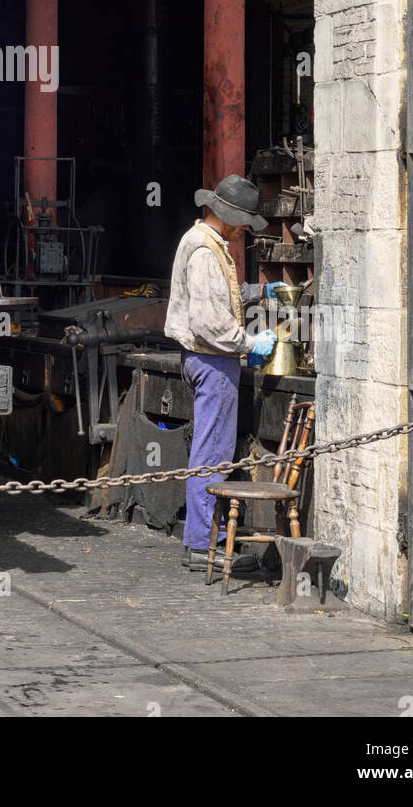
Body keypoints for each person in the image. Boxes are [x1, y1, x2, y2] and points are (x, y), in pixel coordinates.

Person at [164, 173, 281, 573]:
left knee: (212, 451)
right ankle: (202, 545)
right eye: (244, 223)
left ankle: (205, 539)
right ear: (229, 216)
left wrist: (258, 292)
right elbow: (210, 322)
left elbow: (219, 296)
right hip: (213, 361)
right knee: (211, 453)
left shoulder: (206, 243)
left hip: (213, 361)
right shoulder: (204, 251)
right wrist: (251, 344)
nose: (244, 231)